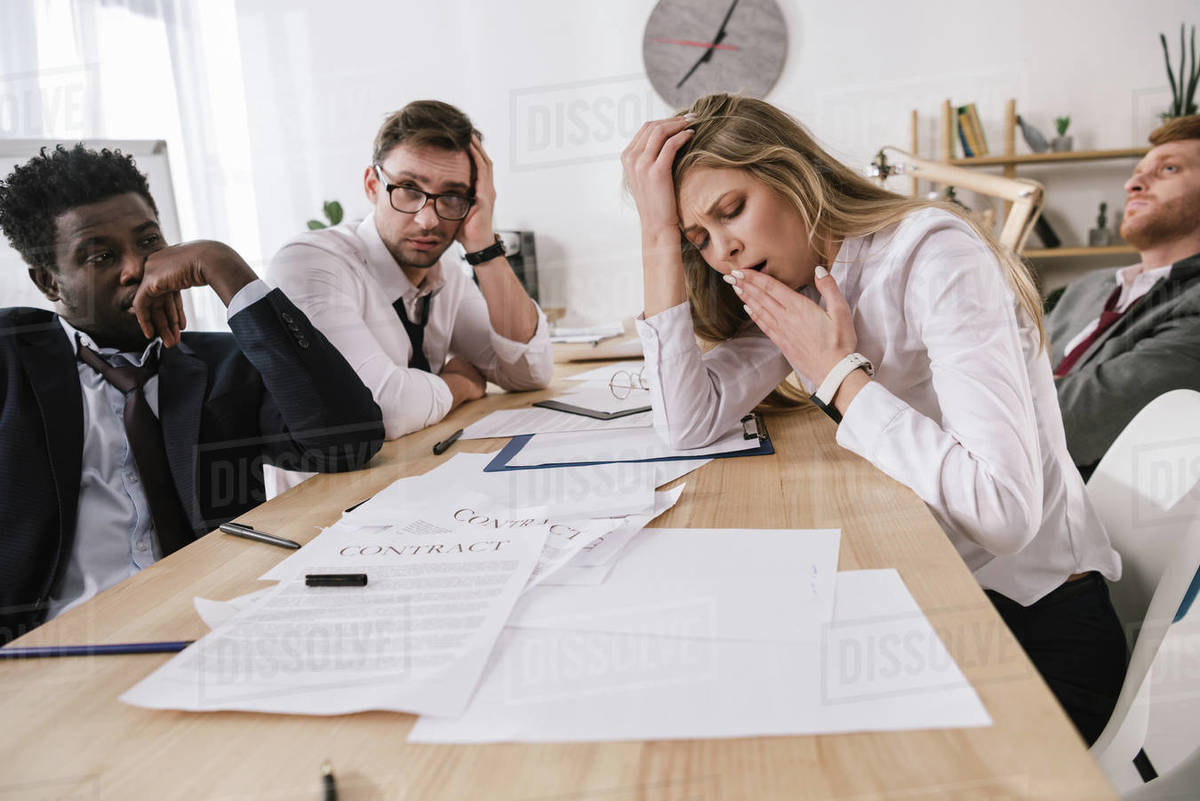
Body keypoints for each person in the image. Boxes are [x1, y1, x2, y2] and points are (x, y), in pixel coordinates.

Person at [622, 93, 1125, 744]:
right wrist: (658, 237)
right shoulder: (802, 280)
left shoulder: (932, 253)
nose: (726, 251)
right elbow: (688, 423)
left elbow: (1004, 513)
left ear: (794, 175)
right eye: (702, 239)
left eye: (732, 210)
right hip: (939, 589)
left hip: (1041, 624)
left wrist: (838, 375)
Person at [0, 145, 385, 642]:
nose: (135, 268)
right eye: (101, 256)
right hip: (55, 647)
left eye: (149, 242)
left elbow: (349, 442)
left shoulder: (225, 364)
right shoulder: (11, 358)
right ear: (48, 281)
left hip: (214, 623)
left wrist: (225, 267)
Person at [267, 100, 553, 442]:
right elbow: (377, 410)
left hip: (412, 476)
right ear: (373, 186)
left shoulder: (445, 276)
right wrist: (459, 385)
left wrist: (483, 245)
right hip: (325, 492)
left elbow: (529, 371)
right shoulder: (310, 264)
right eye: (408, 189)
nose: (428, 220)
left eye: (452, 197)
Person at [1046, 115, 1200, 478]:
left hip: (1073, 505)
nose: (1134, 183)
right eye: (1137, 172)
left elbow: (1075, 421)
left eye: (1169, 169)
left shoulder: (1194, 302)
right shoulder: (1086, 287)